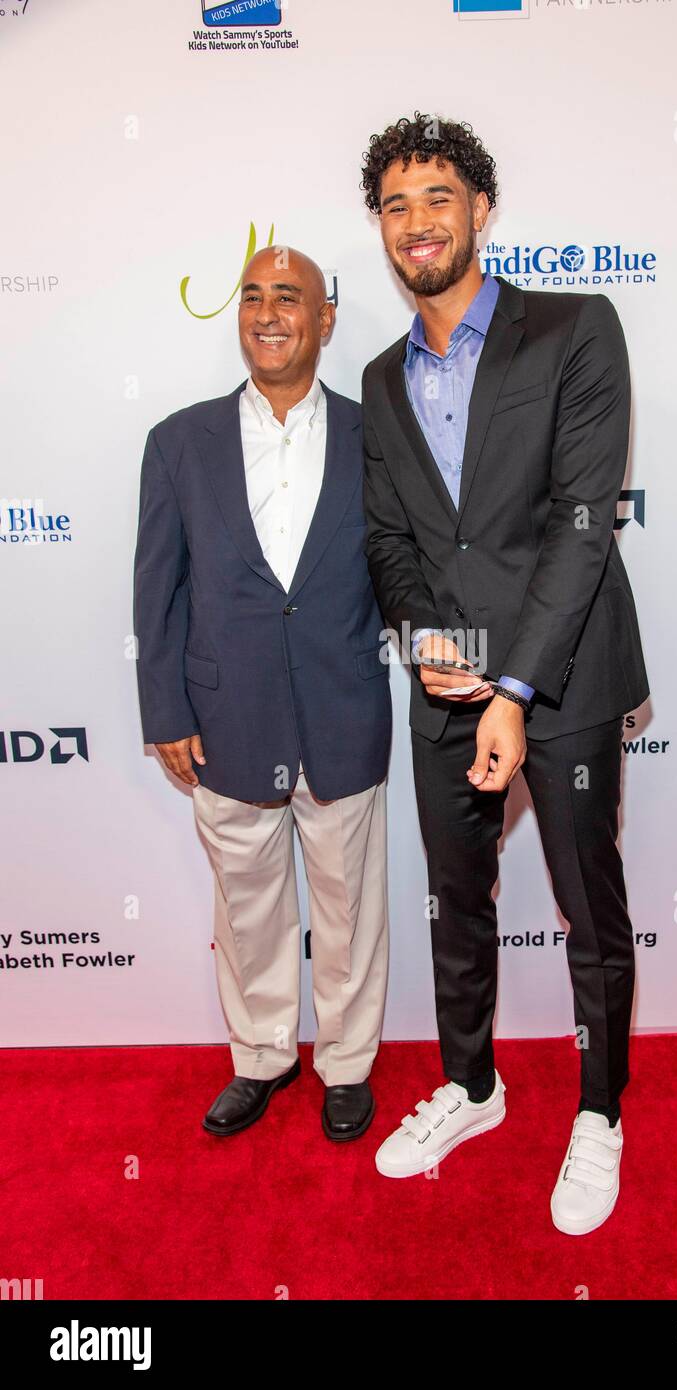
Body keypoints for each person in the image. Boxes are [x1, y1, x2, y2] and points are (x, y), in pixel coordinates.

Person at [359, 114, 649, 1233]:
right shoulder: (383, 378)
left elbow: (581, 526)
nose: (418, 221)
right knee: (453, 902)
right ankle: (472, 1084)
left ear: (480, 209)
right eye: (395, 202)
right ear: (380, 229)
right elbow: (392, 538)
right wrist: (428, 640)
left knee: (588, 909)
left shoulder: (575, 328)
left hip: (562, 668)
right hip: (446, 678)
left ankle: (599, 1109)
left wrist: (514, 693)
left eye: (439, 196)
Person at [133, 246, 391, 1143]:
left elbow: (410, 569)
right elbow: (157, 588)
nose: (269, 312)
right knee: (247, 907)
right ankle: (262, 1057)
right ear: (236, 317)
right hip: (222, 718)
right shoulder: (177, 441)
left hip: (344, 707)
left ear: (325, 318)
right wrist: (163, 708)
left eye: (291, 296)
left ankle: (349, 1064)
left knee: (349, 905)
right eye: (253, 296)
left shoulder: (377, 434)